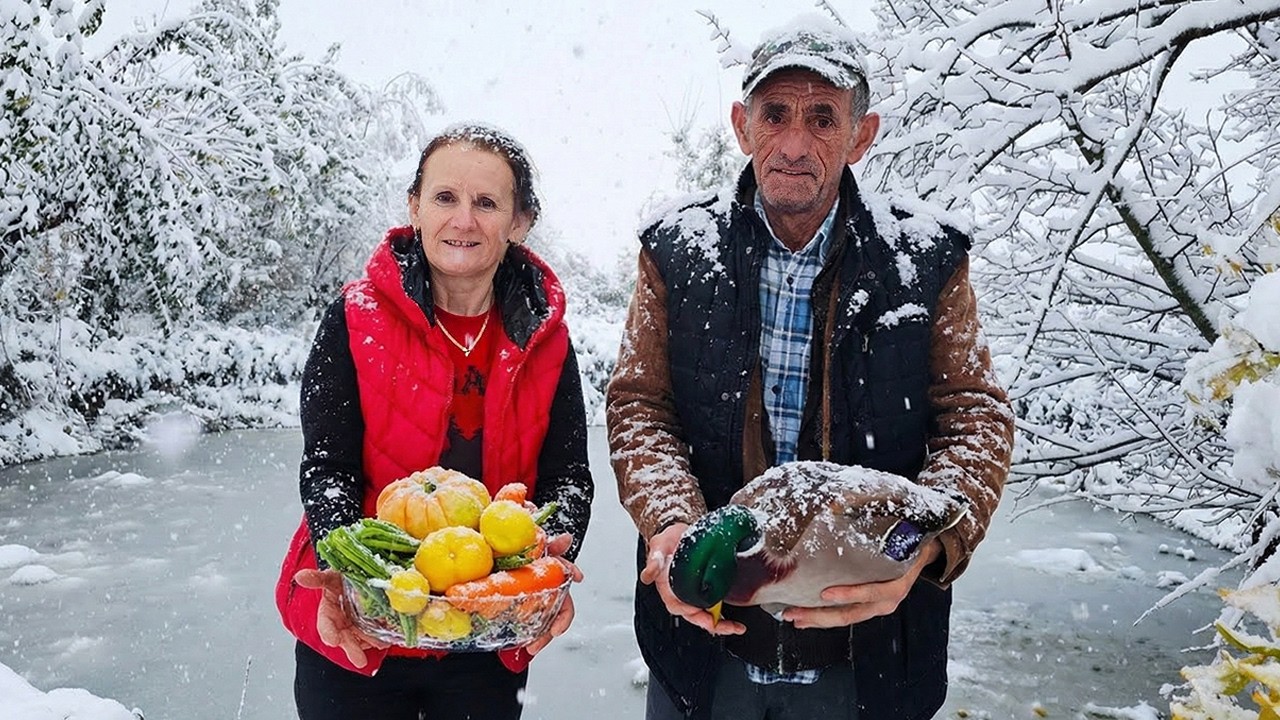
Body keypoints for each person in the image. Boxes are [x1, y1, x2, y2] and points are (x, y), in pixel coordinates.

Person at [606, 16, 1015, 720]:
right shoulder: (674, 249)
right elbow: (641, 407)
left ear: (862, 133)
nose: (794, 145)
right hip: (700, 648)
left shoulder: (926, 259)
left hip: (874, 655)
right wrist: (673, 526)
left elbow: (976, 419)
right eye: (776, 114)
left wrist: (918, 547)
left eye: (823, 117)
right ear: (742, 125)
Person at [274, 123, 594, 720]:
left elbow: (568, 476)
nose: (463, 220)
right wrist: (349, 569)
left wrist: (550, 557)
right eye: (445, 197)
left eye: (487, 202)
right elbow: (328, 466)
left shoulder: (548, 341)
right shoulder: (353, 318)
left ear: (520, 222)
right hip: (359, 628)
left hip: (484, 630)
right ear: (415, 207)